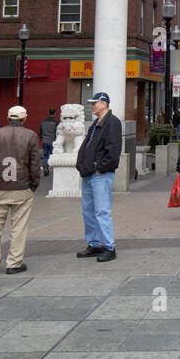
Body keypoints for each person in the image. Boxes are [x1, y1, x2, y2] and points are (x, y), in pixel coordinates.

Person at [0, 105, 40, 275]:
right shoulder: (30, 135)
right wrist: (34, 184)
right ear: (24, 119)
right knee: (19, 226)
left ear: (8, 118)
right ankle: (14, 263)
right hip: (22, 187)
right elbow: (34, 163)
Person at [75, 92, 123, 260]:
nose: (92, 106)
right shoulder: (97, 123)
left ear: (104, 104)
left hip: (99, 174)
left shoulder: (113, 123)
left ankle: (109, 246)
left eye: (95, 103)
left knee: (101, 211)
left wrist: (100, 168)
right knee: (88, 211)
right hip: (90, 172)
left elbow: (114, 150)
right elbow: (88, 145)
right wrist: (82, 165)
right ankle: (95, 243)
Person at [39, 107, 58, 175]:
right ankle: (52, 167)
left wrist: (42, 138)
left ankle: (45, 165)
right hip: (52, 140)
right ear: (55, 113)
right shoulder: (56, 122)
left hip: (45, 140)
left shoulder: (43, 122)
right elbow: (57, 132)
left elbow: (40, 132)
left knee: (45, 155)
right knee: (52, 155)